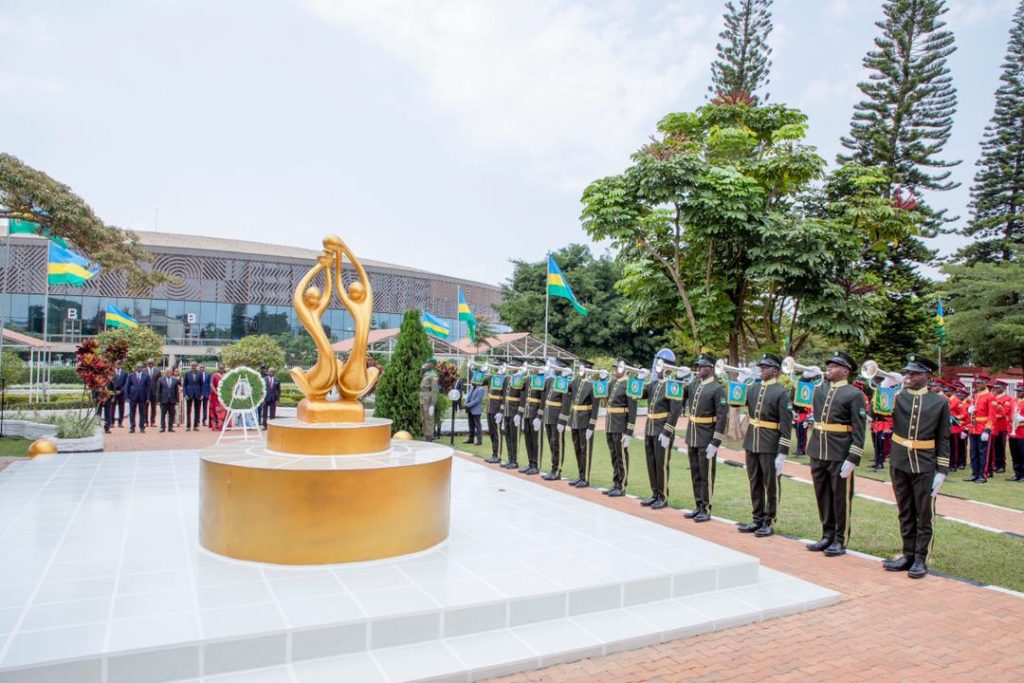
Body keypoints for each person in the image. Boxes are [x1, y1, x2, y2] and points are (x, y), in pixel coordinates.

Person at [882, 354, 950, 579]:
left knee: (923, 513)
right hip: (900, 461)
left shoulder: (939, 402)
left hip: (924, 463)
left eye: (914, 373)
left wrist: (942, 470)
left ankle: (921, 558)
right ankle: (908, 554)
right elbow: (878, 412)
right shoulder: (898, 397)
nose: (908, 376)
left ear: (926, 376)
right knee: (905, 511)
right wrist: (884, 387)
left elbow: (943, 437)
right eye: (907, 373)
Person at [805, 350, 867, 557]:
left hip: (840, 453)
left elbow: (859, 429)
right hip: (818, 451)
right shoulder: (820, 389)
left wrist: (853, 457)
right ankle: (827, 534)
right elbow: (798, 398)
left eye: (834, 366)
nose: (829, 368)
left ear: (846, 371)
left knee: (840, 498)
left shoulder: (853, 394)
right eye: (829, 365)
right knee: (822, 495)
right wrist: (804, 376)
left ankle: (840, 539)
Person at [737, 353, 792, 538]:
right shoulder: (753, 389)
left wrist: (782, 453)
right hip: (752, 441)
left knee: (770, 484)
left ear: (775, 371)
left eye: (765, 367)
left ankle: (769, 520)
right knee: (754, 482)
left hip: (770, 443)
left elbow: (786, 424)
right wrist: (739, 381)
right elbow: (734, 401)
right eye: (761, 367)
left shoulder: (781, 392)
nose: (761, 370)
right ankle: (757, 517)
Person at [683, 353, 729, 523]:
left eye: (702, 366)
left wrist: (715, 441)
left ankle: (706, 508)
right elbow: (680, 394)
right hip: (693, 435)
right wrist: (680, 377)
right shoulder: (695, 384)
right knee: (695, 473)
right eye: (698, 366)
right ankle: (698, 505)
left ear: (710, 368)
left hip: (707, 437)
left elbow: (722, 416)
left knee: (706, 475)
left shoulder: (717, 389)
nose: (699, 369)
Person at [642, 349, 685, 510]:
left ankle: (663, 496)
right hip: (650, 428)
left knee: (661, 464)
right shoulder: (653, 384)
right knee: (651, 463)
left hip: (661, 429)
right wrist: (638, 378)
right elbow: (637, 393)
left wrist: (667, 431)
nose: (656, 367)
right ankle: (655, 493)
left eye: (660, 364)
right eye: (657, 363)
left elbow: (675, 410)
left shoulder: (673, 385)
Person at [603, 360, 638, 497]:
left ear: (625, 369)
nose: (615, 370)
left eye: (618, 368)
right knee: (614, 456)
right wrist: (602, 379)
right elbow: (603, 396)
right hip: (610, 424)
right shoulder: (613, 382)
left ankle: (622, 485)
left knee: (621, 456)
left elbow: (633, 410)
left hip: (620, 424)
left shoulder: (630, 384)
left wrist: (629, 432)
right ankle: (615, 483)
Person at [567, 359, 598, 488]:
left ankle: (586, 478)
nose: (580, 370)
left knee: (585, 450)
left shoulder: (592, 385)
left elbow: (595, 408)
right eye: (579, 368)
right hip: (575, 419)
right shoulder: (576, 382)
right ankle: (580, 475)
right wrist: (565, 375)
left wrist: (591, 425)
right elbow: (565, 388)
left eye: (582, 368)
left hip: (585, 420)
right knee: (578, 449)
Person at [542, 360, 572, 480]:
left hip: (557, 417)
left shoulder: (566, 382)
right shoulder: (551, 380)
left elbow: (566, 403)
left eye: (557, 366)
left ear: (563, 369)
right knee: (551, 443)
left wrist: (563, 420)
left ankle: (557, 470)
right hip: (549, 416)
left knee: (557, 443)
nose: (554, 368)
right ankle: (553, 467)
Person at [964, 375, 992, 483]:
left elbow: (991, 415)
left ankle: (982, 475)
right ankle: (974, 473)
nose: (978, 384)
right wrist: (968, 410)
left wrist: (987, 430)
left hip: (982, 428)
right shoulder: (975, 396)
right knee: (973, 453)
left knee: (982, 453)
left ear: (985, 383)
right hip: (973, 428)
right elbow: (971, 413)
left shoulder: (990, 396)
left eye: (980, 383)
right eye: (977, 383)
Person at [519, 362, 546, 475]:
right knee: (528, 439)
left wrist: (539, 416)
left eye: (535, 367)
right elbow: (522, 393)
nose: (533, 369)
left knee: (536, 441)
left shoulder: (542, 380)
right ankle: (530, 463)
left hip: (535, 413)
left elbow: (543, 400)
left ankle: (536, 465)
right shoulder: (529, 379)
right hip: (527, 412)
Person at [502, 360, 527, 470]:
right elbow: (504, 395)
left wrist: (519, 413)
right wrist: (501, 410)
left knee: (514, 436)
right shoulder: (508, 378)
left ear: (519, 366)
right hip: (507, 410)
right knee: (507, 435)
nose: (511, 367)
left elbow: (523, 397)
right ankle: (510, 458)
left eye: (514, 365)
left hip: (514, 410)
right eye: (511, 365)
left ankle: (514, 460)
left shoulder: (521, 379)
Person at [988, 379, 1013, 476]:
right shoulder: (993, 397)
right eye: (996, 388)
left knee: (1000, 447)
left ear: (1004, 388)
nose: (996, 389)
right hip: (993, 425)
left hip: (1001, 426)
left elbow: (1005, 412)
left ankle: (1001, 465)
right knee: (993, 447)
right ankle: (994, 465)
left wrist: (997, 406)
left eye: (998, 388)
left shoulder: (1007, 399)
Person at [485, 363, 507, 463]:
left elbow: (504, 397)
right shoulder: (491, 377)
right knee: (491, 433)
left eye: (497, 365)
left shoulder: (504, 379)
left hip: (497, 409)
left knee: (497, 433)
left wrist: (501, 411)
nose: (494, 367)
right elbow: (476, 382)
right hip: (489, 408)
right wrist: (480, 371)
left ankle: (497, 456)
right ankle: (493, 453)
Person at [125, 362, 151, 434]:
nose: (139, 368)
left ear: (142, 368)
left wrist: (148, 397)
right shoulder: (131, 375)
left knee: (142, 413)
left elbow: (148, 388)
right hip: (132, 397)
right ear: (135, 368)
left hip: (143, 397)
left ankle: (142, 427)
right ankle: (132, 427)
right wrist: (126, 397)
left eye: (141, 367)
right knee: (132, 413)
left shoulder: (146, 376)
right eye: (138, 367)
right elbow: (127, 386)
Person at [419, 358, 439, 443]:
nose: (427, 364)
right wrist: (422, 370)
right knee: (423, 418)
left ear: (433, 365)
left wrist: (432, 404)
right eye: (427, 362)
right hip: (423, 396)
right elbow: (420, 378)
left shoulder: (433, 375)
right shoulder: (426, 373)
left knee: (429, 418)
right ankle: (426, 435)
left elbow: (434, 390)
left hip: (428, 397)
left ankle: (429, 437)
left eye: (429, 363)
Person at [463, 373, 485, 446]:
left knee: (477, 425)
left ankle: (479, 440)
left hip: (476, 410)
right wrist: (465, 402)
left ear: (477, 381)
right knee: (471, 425)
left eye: (473, 380)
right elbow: (468, 396)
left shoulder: (481, 389)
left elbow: (477, 400)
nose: (471, 382)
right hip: (470, 409)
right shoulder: (472, 388)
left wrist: (468, 405)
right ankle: (471, 439)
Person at [157, 367, 181, 433]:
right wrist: (158, 400)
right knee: (163, 414)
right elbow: (158, 391)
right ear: (165, 372)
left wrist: (177, 400)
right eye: (167, 372)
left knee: (171, 414)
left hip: (172, 400)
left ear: (171, 373)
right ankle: (162, 427)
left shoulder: (175, 380)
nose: (168, 373)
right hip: (163, 400)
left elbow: (176, 391)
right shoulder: (160, 380)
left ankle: (170, 427)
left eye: (170, 372)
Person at [1009, 384, 1024, 482]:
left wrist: (1023, 418)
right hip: (1013, 432)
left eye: (1020, 391)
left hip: (1022, 432)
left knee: (1023, 455)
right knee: (1015, 455)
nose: (1018, 392)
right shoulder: (1013, 401)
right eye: (1017, 390)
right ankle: (1017, 473)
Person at [183, 362, 204, 431]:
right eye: (192, 365)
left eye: (195, 365)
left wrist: (202, 394)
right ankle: (188, 426)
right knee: (188, 411)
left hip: (198, 394)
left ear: (197, 366)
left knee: (197, 411)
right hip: (189, 394)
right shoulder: (187, 373)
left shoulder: (200, 374)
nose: (193, 366)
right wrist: (185, 394)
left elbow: (202, 385)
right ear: (190, 366)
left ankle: (195, 426)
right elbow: (184, 385)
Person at [208, 364, 226, 431]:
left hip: (223, 396)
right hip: (215, 395)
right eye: (220, 368)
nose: (221, 369)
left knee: (223, 410)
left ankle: (222, 425)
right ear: (218, 368)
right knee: (215, 410)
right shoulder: (214, 375)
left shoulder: (226, 376)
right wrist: (216, 393)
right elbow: (211, 384)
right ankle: (215, 426)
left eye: (223, 368)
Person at [110, 359, 127, 428]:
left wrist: (121, 390)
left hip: (121, 393)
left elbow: (126, 383)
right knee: (112, 408)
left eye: (120, 364)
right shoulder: (111, 372)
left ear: (121, 365)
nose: (118, 365)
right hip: (113, 393)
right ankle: (112, 422)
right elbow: (110, 382)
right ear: (115, 364)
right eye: (117, 364)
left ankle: (120, 422)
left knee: (121, 408)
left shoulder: (125, 373)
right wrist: (114, 391)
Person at [146, 358, 161, 427]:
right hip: (146, 392)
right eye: (149, 363)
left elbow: (160, 381)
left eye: (151, 363)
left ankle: (153, 421)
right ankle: (145, 421)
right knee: (145, 407)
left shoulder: (157, 371)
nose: (150, 364)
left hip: (154, 392)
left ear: (154, 363)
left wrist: (159, 391)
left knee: (153, 408)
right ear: (147, 363)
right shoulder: (144, 370)